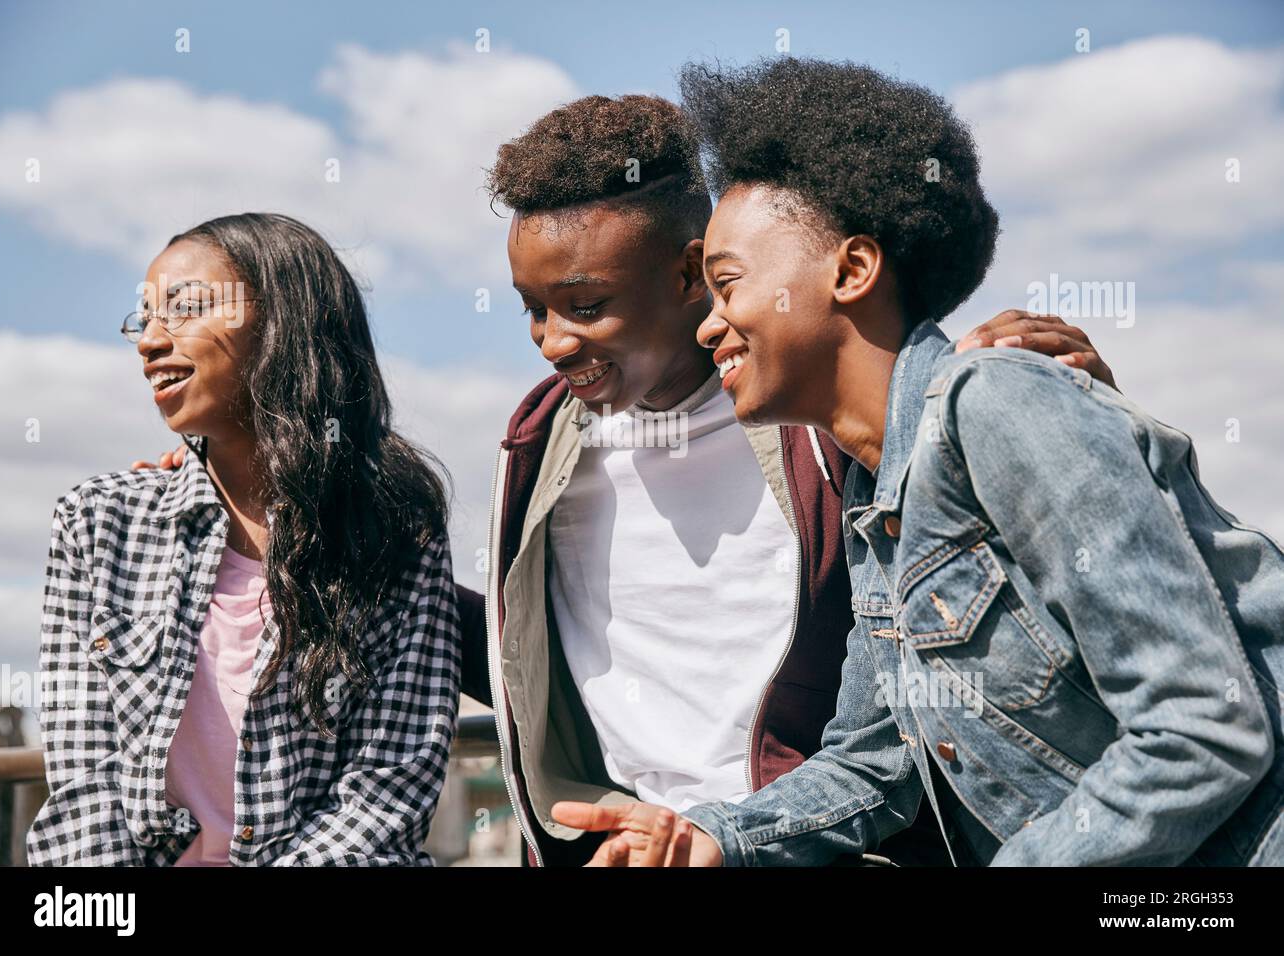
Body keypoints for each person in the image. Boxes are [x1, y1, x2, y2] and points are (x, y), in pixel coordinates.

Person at [135, 98, 1116, 868]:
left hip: (823, 845)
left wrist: (1027, 398)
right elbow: (504, 647)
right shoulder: (540, 440)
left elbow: (966, 630)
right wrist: (235, 503)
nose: (554, 342)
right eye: (531, 309)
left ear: (695, 273)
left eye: (587, 305)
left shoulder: (824, 420)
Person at [558, 57, 1283, 866]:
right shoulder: (877, 499)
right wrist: (710, 836)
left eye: (729, 285)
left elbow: (1203, 725)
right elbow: (876, 764)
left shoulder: (994, 401)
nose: (708, 325)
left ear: (853, 269)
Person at [28, 213, 461, 866]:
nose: (149, 340)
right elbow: (83, 781)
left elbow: (386, 791)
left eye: (185, 309)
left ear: (285, 318)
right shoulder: (97, 523)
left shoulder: (399, 529)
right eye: (141, 319)